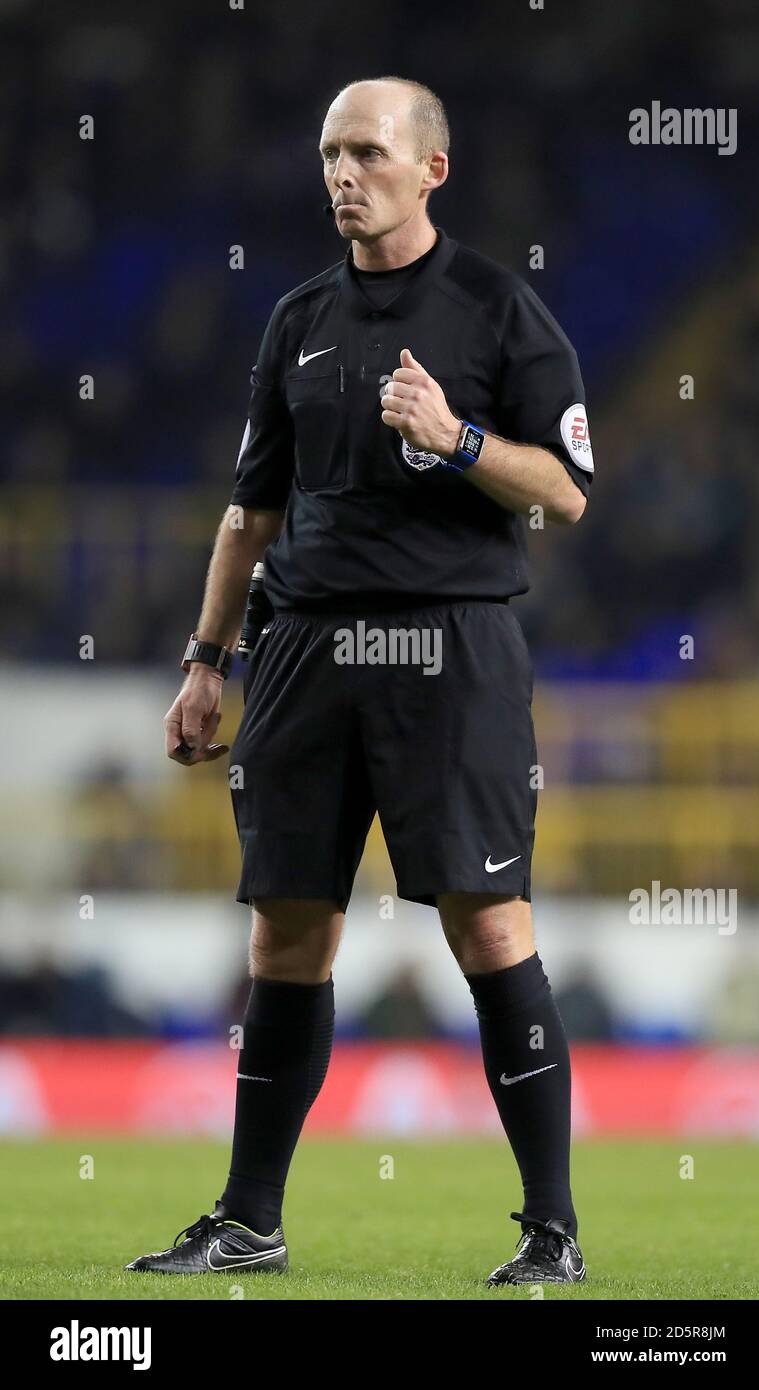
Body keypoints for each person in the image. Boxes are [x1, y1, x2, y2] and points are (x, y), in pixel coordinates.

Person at [127, 75, 592, 1285]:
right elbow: (251, 508)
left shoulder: (499, 310)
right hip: (303, 650)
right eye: (330, 153)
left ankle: (550, 1231)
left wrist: (462, 439)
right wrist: (203, 662)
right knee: (286, 937)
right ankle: (248, 1221)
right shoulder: (296, 319)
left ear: (430, 166)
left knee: (486, 925)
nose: (343, 173)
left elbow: (567, 491)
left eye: (367, 152)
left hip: (450, 649)